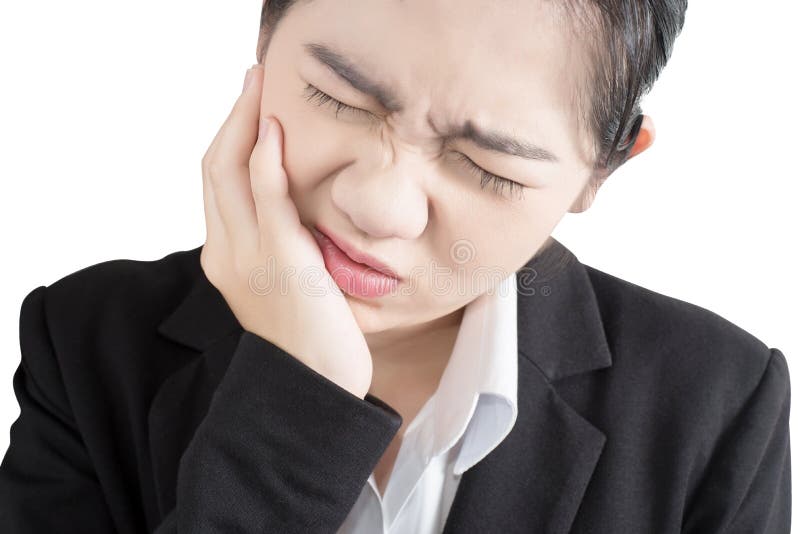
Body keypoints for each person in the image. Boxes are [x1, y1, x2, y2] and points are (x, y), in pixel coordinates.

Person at [0, 0, 791, 532]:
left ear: (603, 172)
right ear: (265, 36)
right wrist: (295, 403)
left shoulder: (716, 407)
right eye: (339, 99)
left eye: (487, 166)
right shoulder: (85, 344)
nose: (378, 207)